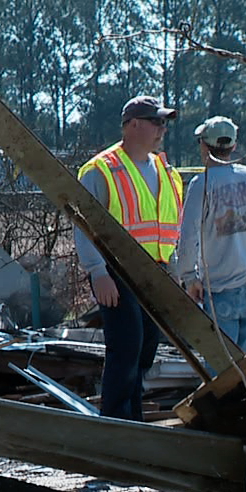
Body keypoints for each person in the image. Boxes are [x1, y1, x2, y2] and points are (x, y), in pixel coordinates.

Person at [75, 96, 184, 421]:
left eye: (164, 123)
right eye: (156, 122)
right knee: (126, 349)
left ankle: (132, 420)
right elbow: (83, 225)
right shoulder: (102, 170)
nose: (162, 130)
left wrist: (174, 272)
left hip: (155, 273)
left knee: (146, 349)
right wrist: (97, 271)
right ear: (133, 125)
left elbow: (169, 229)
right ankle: (116, 422)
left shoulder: (166, 172)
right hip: (117, 273)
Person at [174, 116, 246, 353]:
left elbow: (188, 238)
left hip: (219, 291)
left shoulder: (202, 183)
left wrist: (189, 278)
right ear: (233, 146)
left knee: (221, 365)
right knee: (244, 362)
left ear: (204, 146)